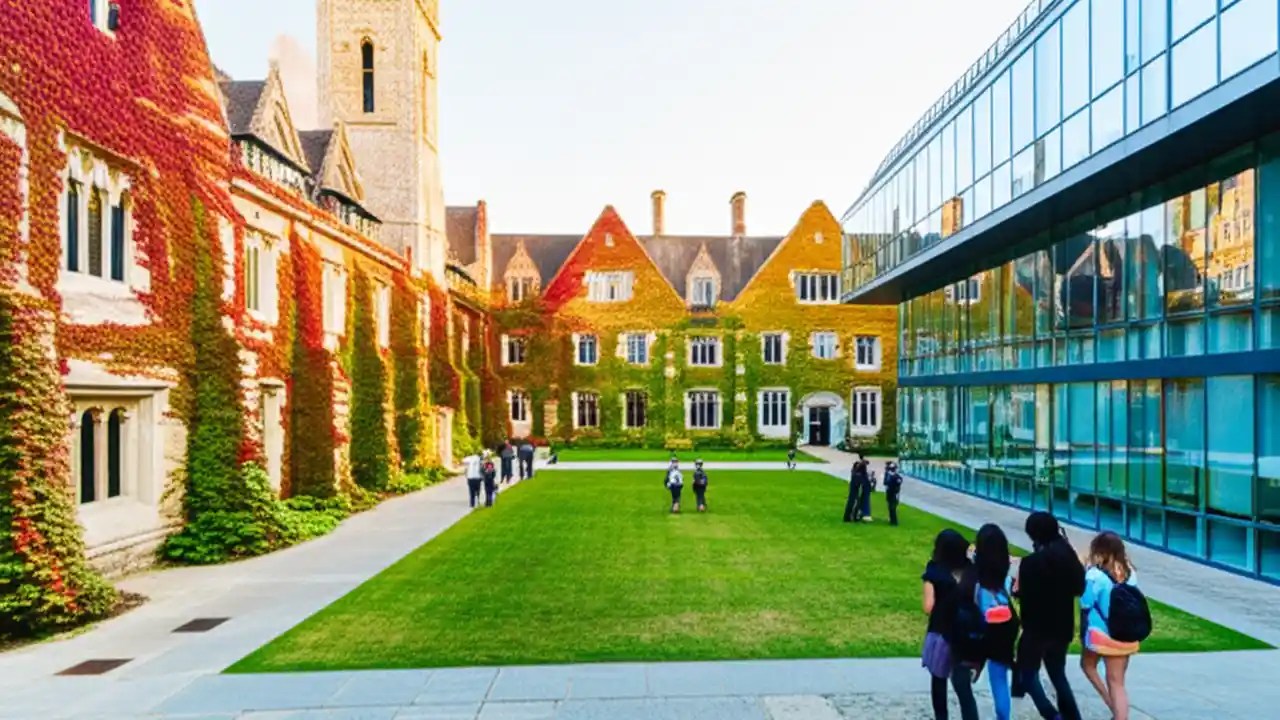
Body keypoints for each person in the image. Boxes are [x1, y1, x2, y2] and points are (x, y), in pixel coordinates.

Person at [1015, 512, 1086, 720]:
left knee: (1027, 674)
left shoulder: (1031, 563)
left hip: (1037, 627)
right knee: (1057, 674)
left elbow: (1025, 597)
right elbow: (1079, 588)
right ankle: (1073, 716)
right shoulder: (1068, 556)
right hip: (1061, 625)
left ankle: (1051, 714)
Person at [1080, 532, 1143, 720]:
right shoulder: (1131, 573)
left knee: (1104, 676)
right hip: (1126, 632)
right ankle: (1116, 710)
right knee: (1115, 680)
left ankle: (1117, 712)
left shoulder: (1094, 575)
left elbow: (1085, 602)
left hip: (1103, 634)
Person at [959, 524, 1019, 720]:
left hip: (984, 626)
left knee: (975, 667)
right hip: (1006, 625)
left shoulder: (976, 571)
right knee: (999, 676)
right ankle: (1003, 716)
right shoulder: (1003, 570)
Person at [921, 528, 980, 720]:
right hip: (965, 634)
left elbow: (928, 605)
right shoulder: (972, 571)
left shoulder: (934, 571)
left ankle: (941, 717)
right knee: (963, 687)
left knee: (938, 680)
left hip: (941, 631)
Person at [843, 456, 867, 522]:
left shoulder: (854, 472)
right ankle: (853, 517)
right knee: (855, 503)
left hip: (853, 489)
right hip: (855, 490)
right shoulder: (858, 475)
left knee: (851, 502)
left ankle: (849, 517)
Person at [883, 461, 903, 526]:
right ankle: (892, 520)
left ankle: (894, 521)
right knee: (891, 507)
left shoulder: (895, 476)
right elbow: (885, 482)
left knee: (892, 507)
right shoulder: (891, 475)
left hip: (893, 493)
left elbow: (899, 482)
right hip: (890, 492)